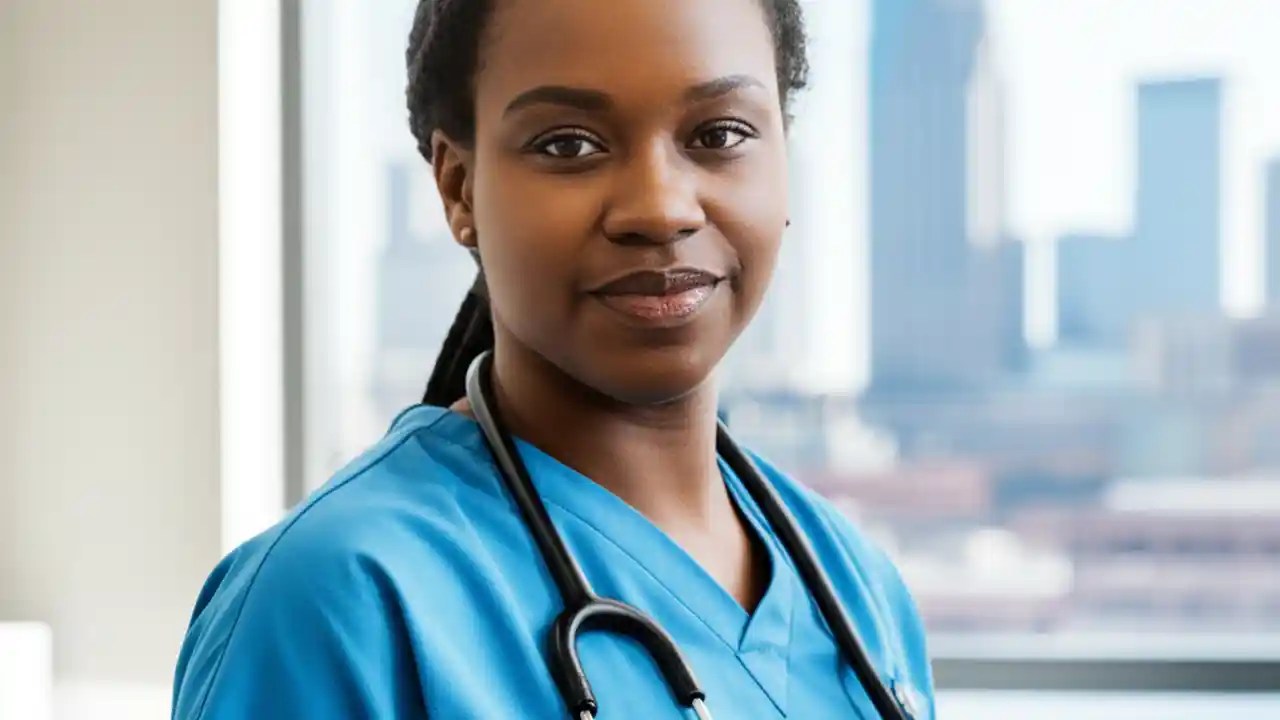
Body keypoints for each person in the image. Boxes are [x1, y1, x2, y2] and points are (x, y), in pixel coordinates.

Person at [171, 0, 934, 717]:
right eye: (568, 144)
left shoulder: (858, 591)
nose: (660, 209)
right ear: (459, 188)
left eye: (720, 134)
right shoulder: (334, 599)